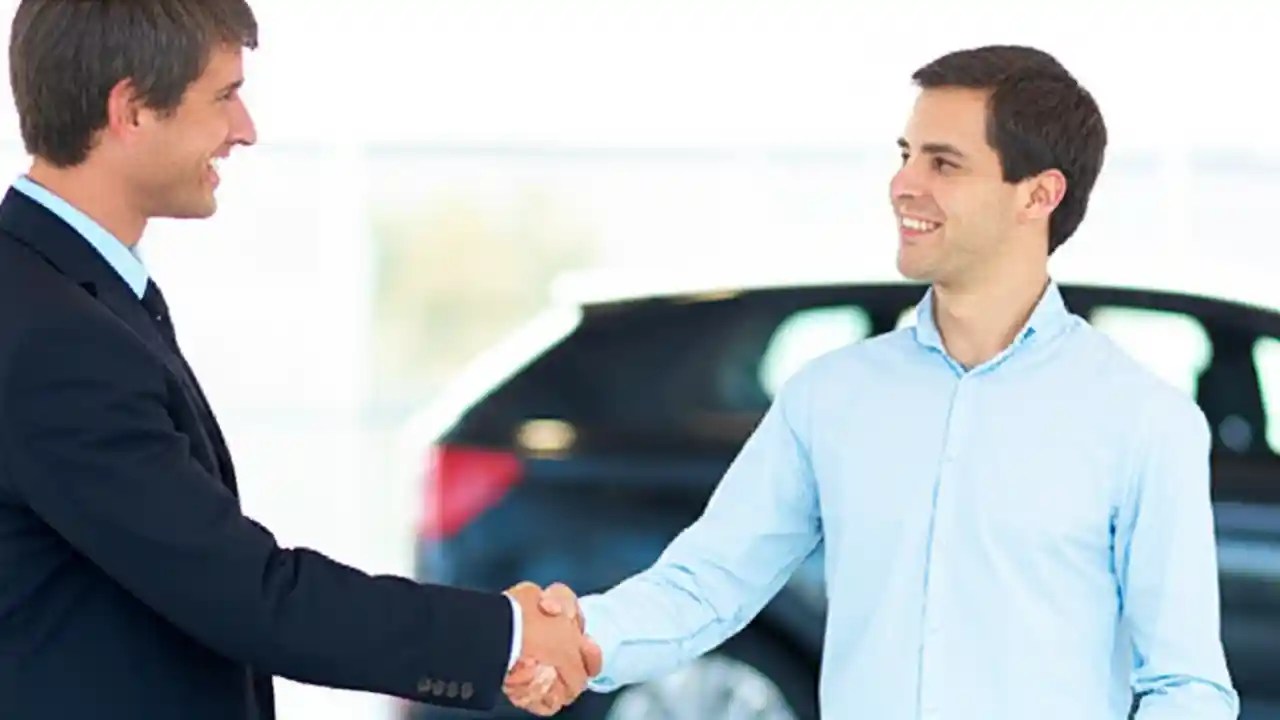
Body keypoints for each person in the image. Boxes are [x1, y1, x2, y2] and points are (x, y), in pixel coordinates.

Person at [507, 44, 1240, 719]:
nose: (902, 186)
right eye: (906, 155)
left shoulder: (1143, 420)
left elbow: (1187, 686)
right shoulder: (830, 397)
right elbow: (708, 583)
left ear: (1038, 195)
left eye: (944, 164)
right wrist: (582, 641)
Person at [0, 2, 597, 719]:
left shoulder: (56, 294)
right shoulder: (54, 335)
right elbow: (245, 593)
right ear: (130, 110)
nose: (244, 129)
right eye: (224, 96)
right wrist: (504, 637)